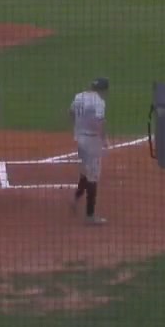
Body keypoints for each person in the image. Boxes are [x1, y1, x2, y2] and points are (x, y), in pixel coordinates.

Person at [69, 77, 109, 225]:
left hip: (80, 139)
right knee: (93, 177)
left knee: (85, 172)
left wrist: (78, 128)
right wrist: (103, 139)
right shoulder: (99, 102)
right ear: (103, 90)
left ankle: (75, 198)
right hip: (92, 141)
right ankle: (90, 215)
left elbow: (71, 113)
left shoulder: (79, 96)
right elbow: (99, 122)